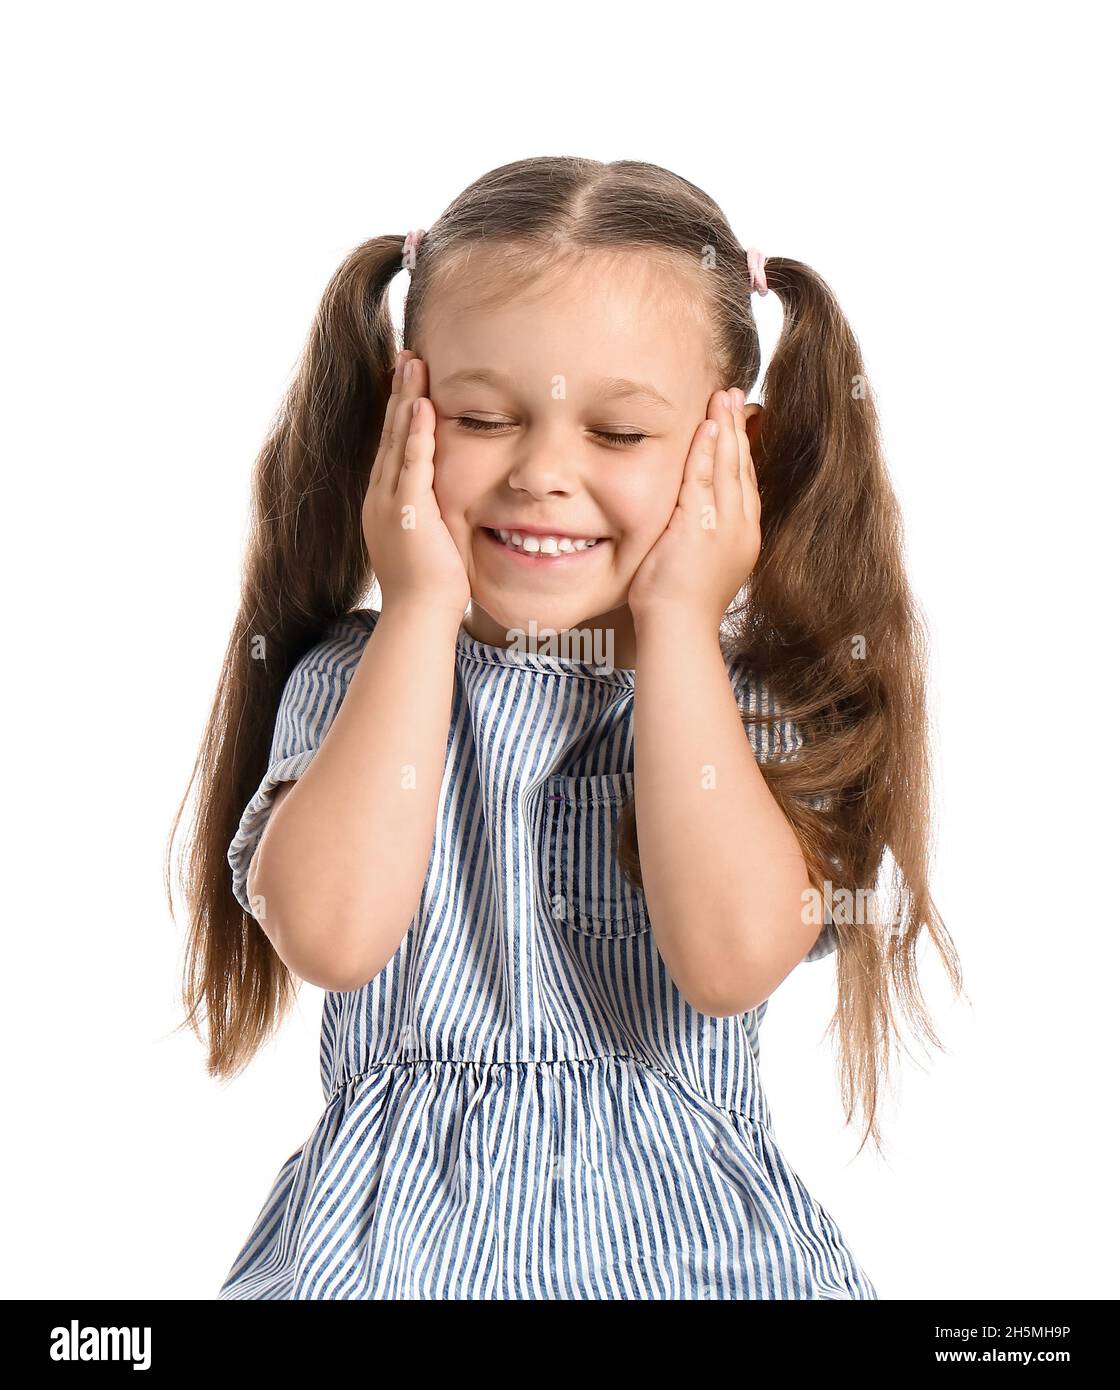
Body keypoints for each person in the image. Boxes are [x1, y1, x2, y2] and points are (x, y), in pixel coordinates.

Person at [170, 155, 961, 1299]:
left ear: (731, 447)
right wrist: (423, 608)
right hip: (390, 1251)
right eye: (485, 418)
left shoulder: (754, 708)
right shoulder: (355, 684)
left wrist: (680, 621)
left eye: (620, 434)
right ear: (405, 415)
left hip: (694, 1256)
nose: (543, 472)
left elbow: (731, 962)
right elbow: (332, 936)